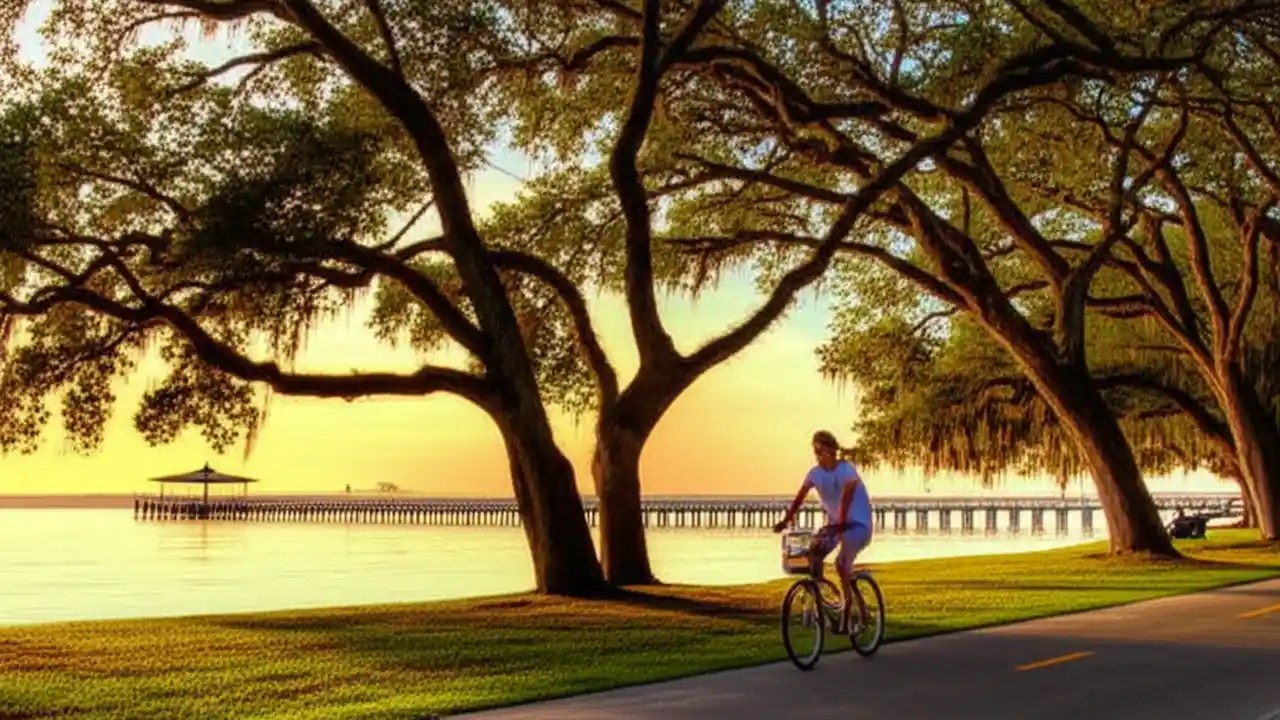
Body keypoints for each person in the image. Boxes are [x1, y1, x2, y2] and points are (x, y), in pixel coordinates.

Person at [773, 430, 873, 634]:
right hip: (836, 525)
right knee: (812, 553)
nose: (818, 455)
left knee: (841, 565)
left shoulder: (846, 470)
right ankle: (824, 598)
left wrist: (841, 522)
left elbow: (846, 496)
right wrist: (785, 520)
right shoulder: (814, 474)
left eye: (821, 450)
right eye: (815, 451)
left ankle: (848, 616)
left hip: (858, 526)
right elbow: (799, 498)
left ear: (831, 450)